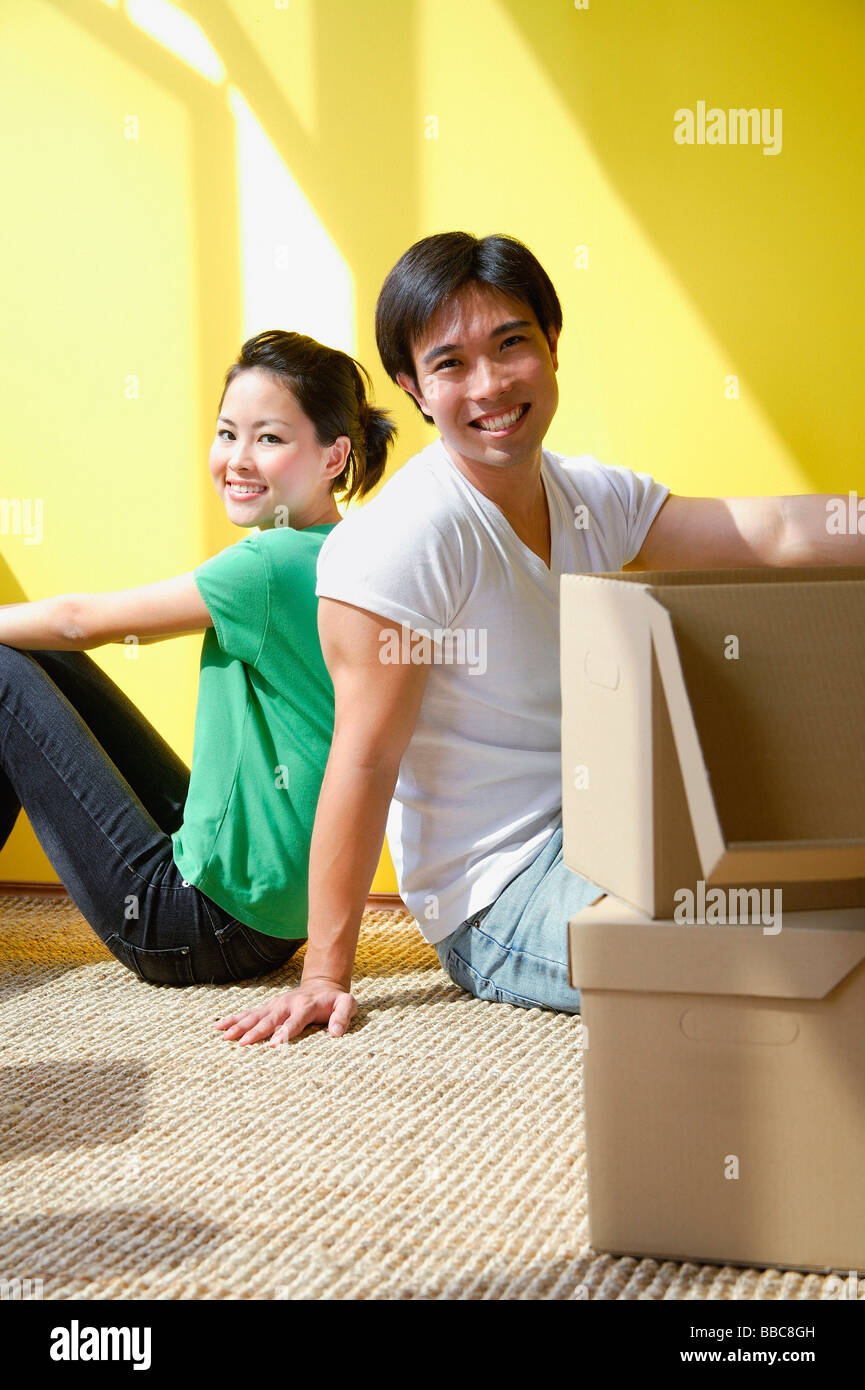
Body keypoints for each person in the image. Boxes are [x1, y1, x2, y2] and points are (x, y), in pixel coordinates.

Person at [215, 231, 865, 1045]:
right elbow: (365, 757)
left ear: (551, 346)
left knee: (818, 885)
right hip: (501, 889)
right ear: (415, 388)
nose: (488, 385)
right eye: (450, 364)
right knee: (760, 959)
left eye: (511, 344)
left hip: (611, 818)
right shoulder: (405, 539)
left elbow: (768, 531)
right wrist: (323, 975)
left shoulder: (589, 494)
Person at [0, 329, 396, 985]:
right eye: (227, 433)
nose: (238, 458)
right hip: (267, 913)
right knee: (43, 660)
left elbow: (79, 620)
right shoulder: (336, 551)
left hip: (192, 925)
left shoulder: (268, 564)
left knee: (6, 674)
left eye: (269, 438)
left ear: (333, 456)